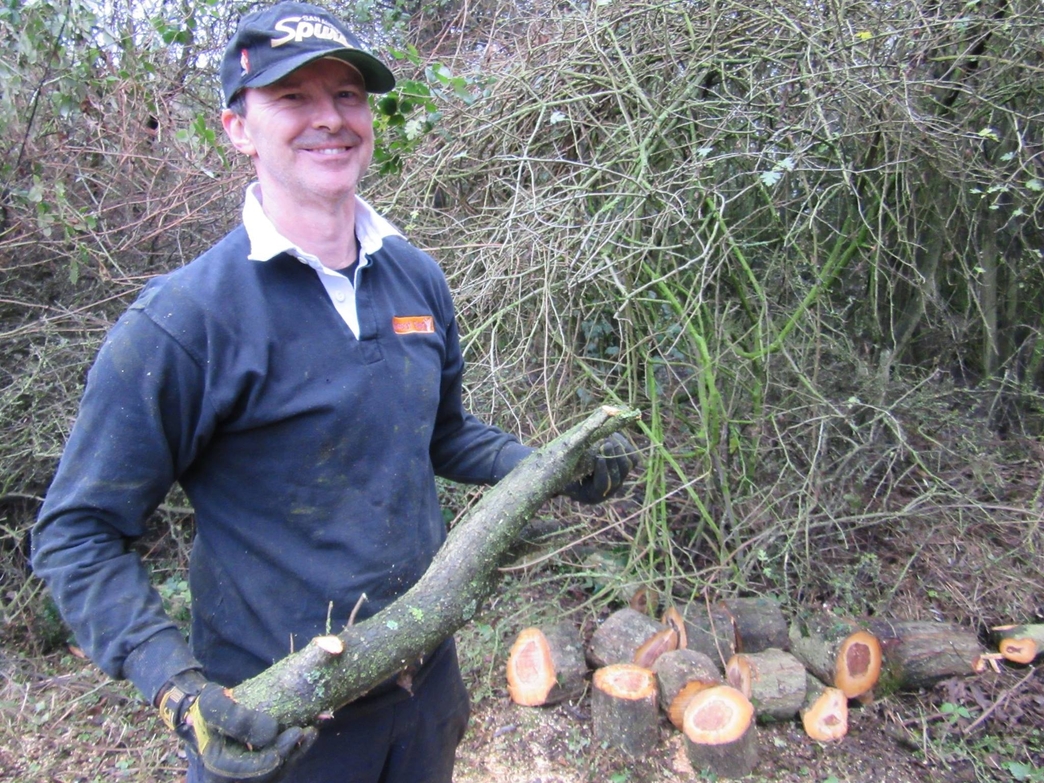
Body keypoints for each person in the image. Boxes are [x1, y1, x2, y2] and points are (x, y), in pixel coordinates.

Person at [30, 3, 638, 782]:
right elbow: (75, 533)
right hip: (280, 733)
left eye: (348, 95)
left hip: (424, 702)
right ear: (238, 128)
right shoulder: (185, 322)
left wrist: (554, 463)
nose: (331, 119)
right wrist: (179, 692)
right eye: (293, 98)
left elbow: (443, 434)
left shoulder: (414, 276)